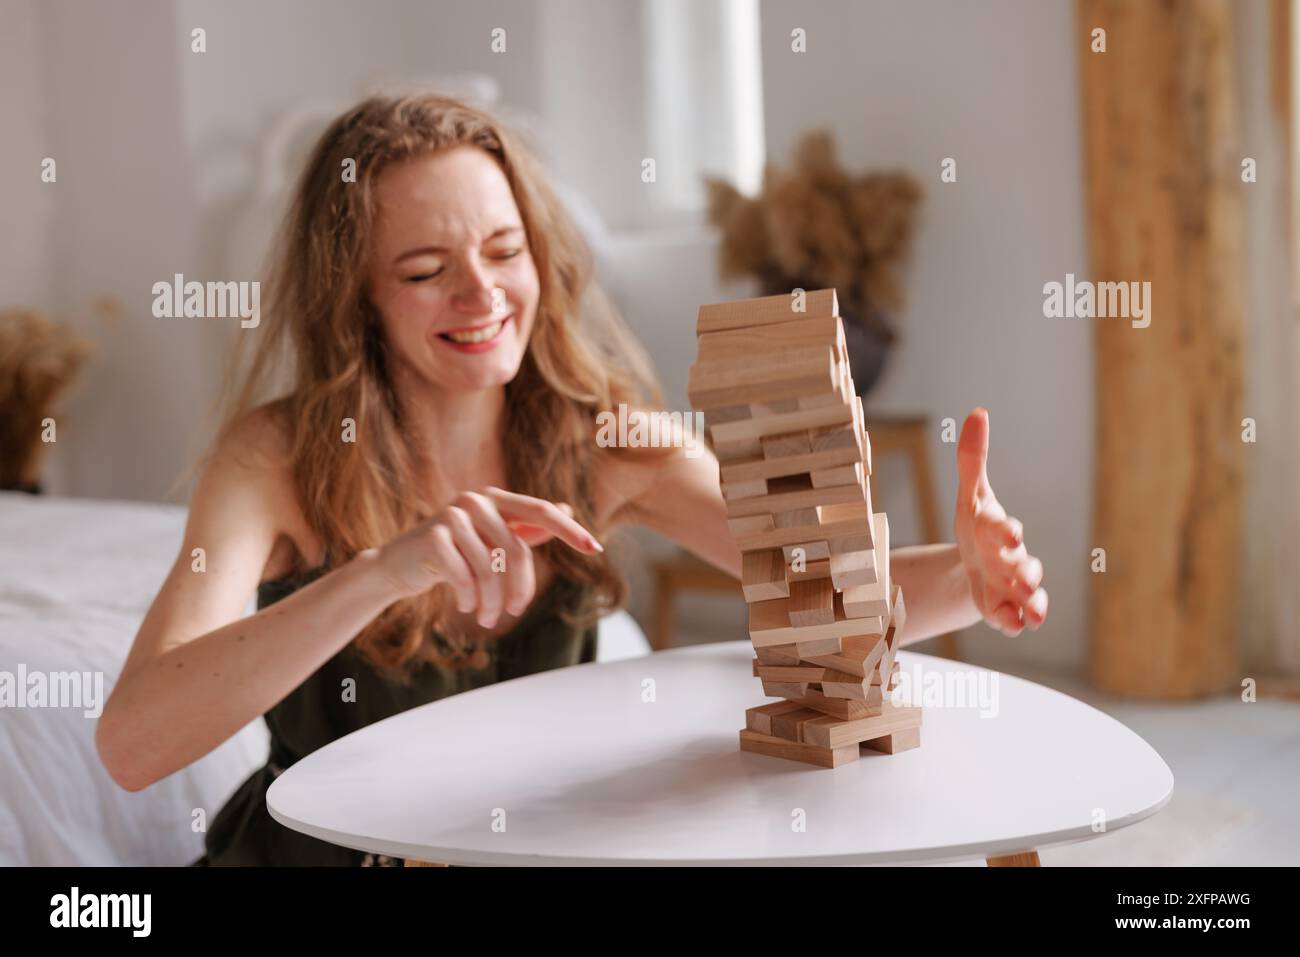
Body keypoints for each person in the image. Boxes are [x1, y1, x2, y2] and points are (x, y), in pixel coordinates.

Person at [95, 93, 1048, 865]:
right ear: (356, 297)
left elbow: (822, 594)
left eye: (505, 252)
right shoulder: (274, 459)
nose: (483, 294)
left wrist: (969, 575)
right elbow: (134, 744)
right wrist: (384, 570)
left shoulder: (612, 439)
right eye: (426, 269)